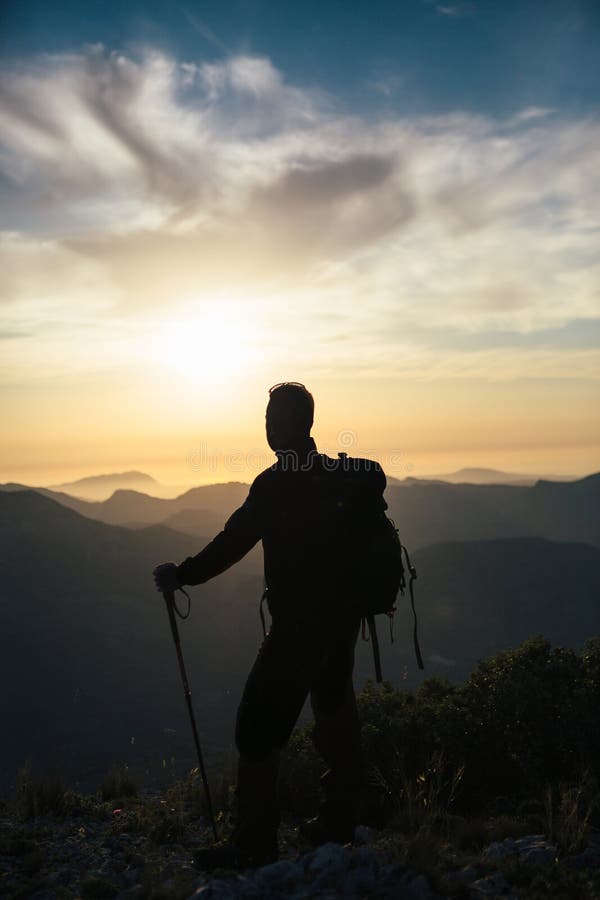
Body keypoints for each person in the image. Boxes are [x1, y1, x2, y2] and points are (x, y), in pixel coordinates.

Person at [153, 382, 388, 869]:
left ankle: (254, 843)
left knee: (256, 728)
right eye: (266, 417)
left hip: (297, 630)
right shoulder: (340, 475)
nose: (266, 425)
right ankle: (342, 819)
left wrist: (182, 575)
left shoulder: (276, 483)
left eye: (271, 418)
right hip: (341, 625)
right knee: (333, 713)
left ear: (289, 424)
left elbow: (231, 543)